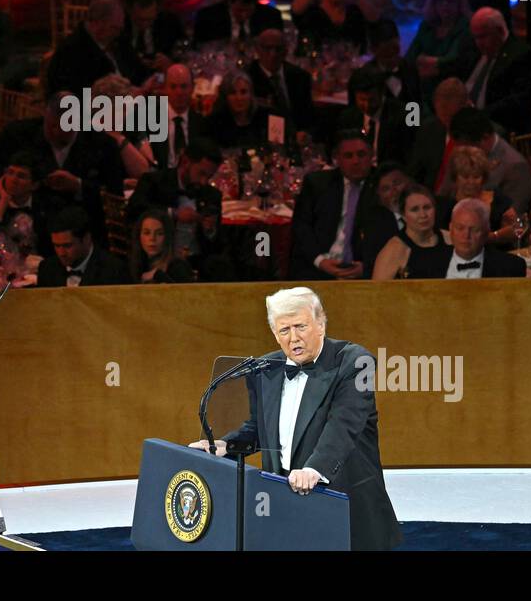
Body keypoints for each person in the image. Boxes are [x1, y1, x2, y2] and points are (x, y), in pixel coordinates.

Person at [189, 287, 403, 550]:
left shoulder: (356, 362)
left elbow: (344, 425)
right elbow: (260, 428)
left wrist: (315, 469)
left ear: (321, 323)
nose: (293, 338)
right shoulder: (265, 369)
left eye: (300, 326)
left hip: (344, 504)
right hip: (286, 504)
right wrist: (226, 446)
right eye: (284, 330)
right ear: (275, 334)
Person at [0, 91, 124, 244]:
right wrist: (15, 180)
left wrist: (79, 186)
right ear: (45, 115)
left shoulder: (102, 145)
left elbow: (114, 193)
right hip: (24, 223)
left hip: (82, 230)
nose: (56, 132)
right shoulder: (19, 134)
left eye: (64, 126)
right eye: (51, 125)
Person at [291, 130, 373, 280]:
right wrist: (320, 261)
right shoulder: (317, 184)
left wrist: (369, 266)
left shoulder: (381, 187)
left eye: (361, 155)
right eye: (348, 156)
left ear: (371, 156)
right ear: (337, 159)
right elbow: (301, 227)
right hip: (320, 267)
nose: (355, 161)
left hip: (364, 271)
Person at [448, 7, 531, 138]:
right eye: (475, 37)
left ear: (500, 31)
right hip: (466, 115)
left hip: (498, 123)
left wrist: (477, 115)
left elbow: (518, 102)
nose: (478, 43)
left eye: (483, 36)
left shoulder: (521, 55)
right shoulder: (474, 50)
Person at [438, 107, 531, 215]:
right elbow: (443, 193)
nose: (461, 152)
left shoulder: (515, 165)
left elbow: (513, 215)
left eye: (467, 146)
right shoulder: (459, 153)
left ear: (485, 138)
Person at [406, 198, 527, 279]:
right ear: (451, 229)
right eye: (460, 228)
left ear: (486, 232)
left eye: (474, 230)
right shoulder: (425, 263)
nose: (466, 236)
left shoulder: (510, 267)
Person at [45, 0, 127, 96]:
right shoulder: (71, 51)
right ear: (97, 23)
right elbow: (68, 95)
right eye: (114, 28)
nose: (118, 33)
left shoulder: (115, 41)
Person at [408, 0, 474, 103]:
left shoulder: (466, 27)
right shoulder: (427, 25)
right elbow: (411, 57)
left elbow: (453, 61)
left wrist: (426, 61)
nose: (444, 5)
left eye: (450, 0)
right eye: (440, 0)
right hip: (422, 88)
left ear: (460, 3)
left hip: (451, 89)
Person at [437, 146, 518, 244]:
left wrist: (493, 236)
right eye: (465, 177)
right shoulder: (445, 205)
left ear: (484, 177)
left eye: (476, 177)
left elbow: (515, 229)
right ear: (455, 177)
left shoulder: (497, 199)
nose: (471, 182)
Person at [36, 206, 130, 287]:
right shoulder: (47, 269)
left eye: (67, 246)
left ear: (86, 239)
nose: (61, 253)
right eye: (56, 246)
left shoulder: (114, 271)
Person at [248, 28, 315, 141]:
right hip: (262, 139)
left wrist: (306, 133)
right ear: (257, 50)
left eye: (278, 49)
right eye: (267, 48)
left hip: (298, 139)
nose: (273, 54)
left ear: (286, 51)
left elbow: (310, 115)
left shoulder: (300, 77)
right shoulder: (248, 78)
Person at [338, 66, 414, 165]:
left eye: (372, 100)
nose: (367, 105)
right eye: (362, 100)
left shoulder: (403, 115)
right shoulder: (347, 118)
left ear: (382, 93)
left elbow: (409, 157)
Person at [406, 77, 470, 191]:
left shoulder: (480, 132)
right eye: (441, 115)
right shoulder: (428, 129)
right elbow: (415, 173)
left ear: (465, 105)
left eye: (449, 118)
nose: (446, 123)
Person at [0, 152, 51, 256]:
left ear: (34, 185)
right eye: (10, 173)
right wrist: (3, 201)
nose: (13, 180)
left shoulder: (46, 208)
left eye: (21, 176)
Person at [115, 0, 186, 84]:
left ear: (157, 12)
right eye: (139, 19)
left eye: (149, 19)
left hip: (162, 76)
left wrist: (170, 64)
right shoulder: (119, 24)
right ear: (129, 12)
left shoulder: (170, 22)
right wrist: (134, 60)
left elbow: (185, 51)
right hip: (128, 76)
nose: (144, 24)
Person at [372, 184, 441, 280]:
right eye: (415, 209)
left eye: (427, 207)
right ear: (403, 215)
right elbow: (377, 293)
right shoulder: (393, 250)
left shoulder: (451, 239)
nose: (423, 215)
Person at [193, 0, 282, 45]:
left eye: (248, 10)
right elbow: (198, 49)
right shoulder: (208, 18)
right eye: (239, 10)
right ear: (229, 3)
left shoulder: (270, 17)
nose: (244, 15)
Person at [149, 63, 207, 170]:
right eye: (173, 87)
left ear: (192, 88)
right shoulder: (151, 120)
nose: (179, 92)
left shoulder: (201, 123)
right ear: (164, 89)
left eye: (184, 86)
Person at [204, 69, 269, 151]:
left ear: (251, 94)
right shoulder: (214, 123)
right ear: (225, 96)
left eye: (243, 92)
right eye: (233, 93)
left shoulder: (264, 118)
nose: (239, 98)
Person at [366, 19, 422, 109]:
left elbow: (415, 105)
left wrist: (412, 123)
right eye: (387, 54)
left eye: (396, 50)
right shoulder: (364, 77)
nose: (394, 59)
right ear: (373, 50)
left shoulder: (409, 69)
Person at [128, 208, 194, 283]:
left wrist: (158, 275)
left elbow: (186, 293)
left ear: (168, 237)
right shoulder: (137, 264)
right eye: (147, 233)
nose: (152, 238)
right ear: (139, 236)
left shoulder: (177, 266)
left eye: (159, 233)